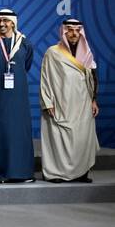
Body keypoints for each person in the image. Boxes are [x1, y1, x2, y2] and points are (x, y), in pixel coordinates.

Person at [0, 9, 36, 183]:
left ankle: (21, 172)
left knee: (18, 132)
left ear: (13, 23)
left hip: (18, 97)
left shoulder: (25, 44)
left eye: (6, 21)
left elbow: (26, 66)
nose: (2, 24)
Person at [40, 18, 99, 183]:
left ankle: (81, 173)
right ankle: (56, 173)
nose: (74, 33)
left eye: (77, 30)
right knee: (59, 138)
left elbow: (93, 78)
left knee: (82, 138)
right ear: (64, 32)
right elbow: (45, 79)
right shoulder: (53, 52)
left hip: (82, 102)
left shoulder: (87, 53)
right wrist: (48, 102)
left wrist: (93, 100)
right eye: (70, 30)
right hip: (60, 101)